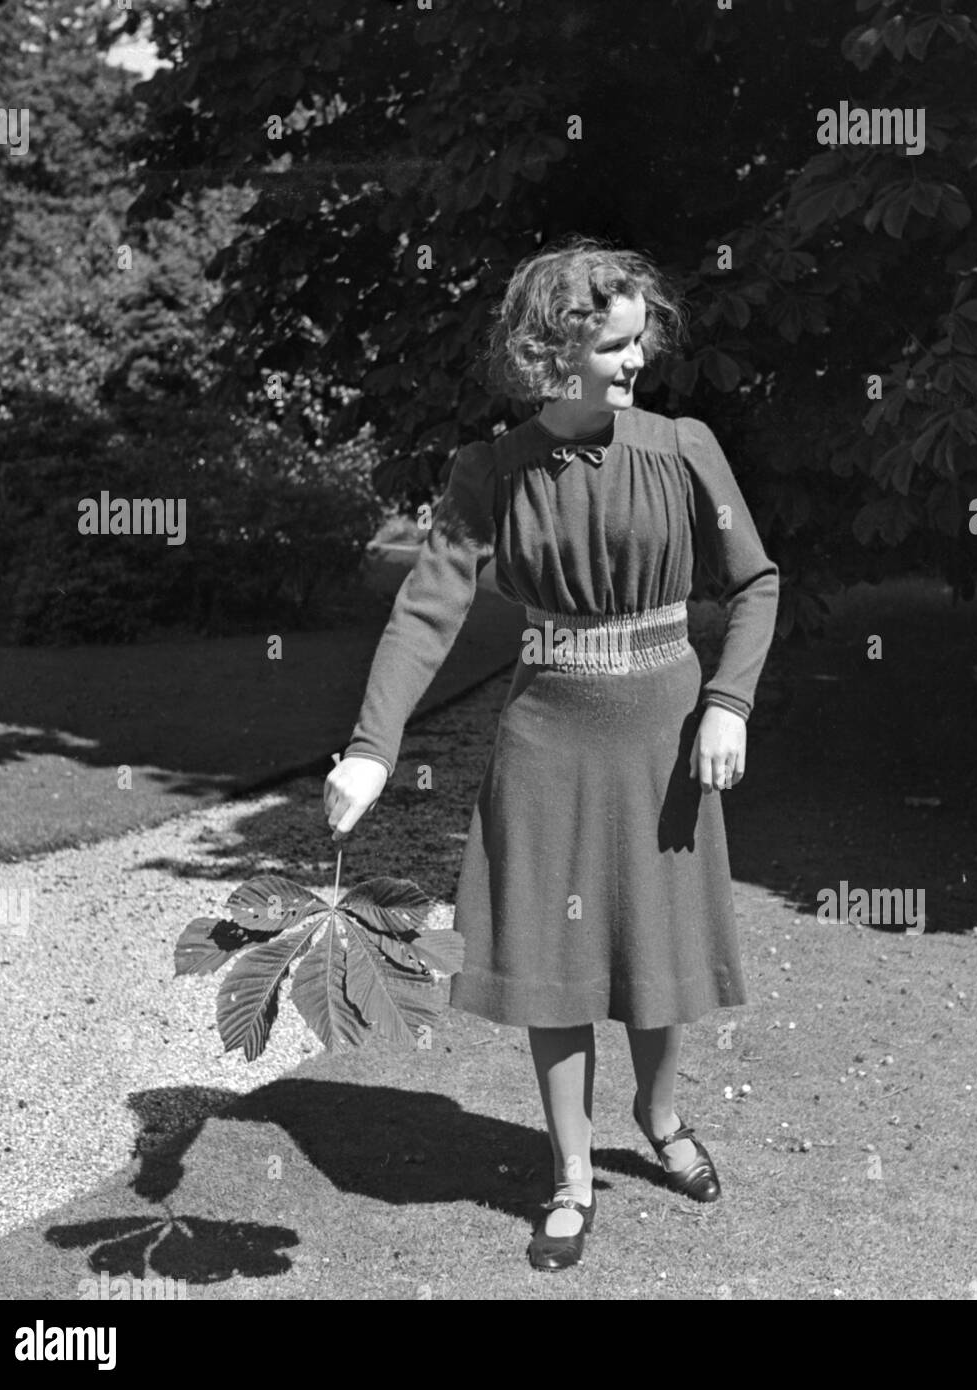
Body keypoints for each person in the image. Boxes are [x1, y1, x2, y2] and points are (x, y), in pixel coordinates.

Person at [324, 234, 779, 1272]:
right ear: (554, 350)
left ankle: (659, 1118)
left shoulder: (685, 448)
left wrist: (729, 703)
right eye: (616, 346)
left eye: (639, 344)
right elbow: (424, 613)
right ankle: (570, 1176)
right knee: (557, 965)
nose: (636, 364)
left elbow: (755, 584)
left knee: (658, 954)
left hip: (665, 735)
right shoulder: (489, 472)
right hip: (544, 742)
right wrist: (369, 749)